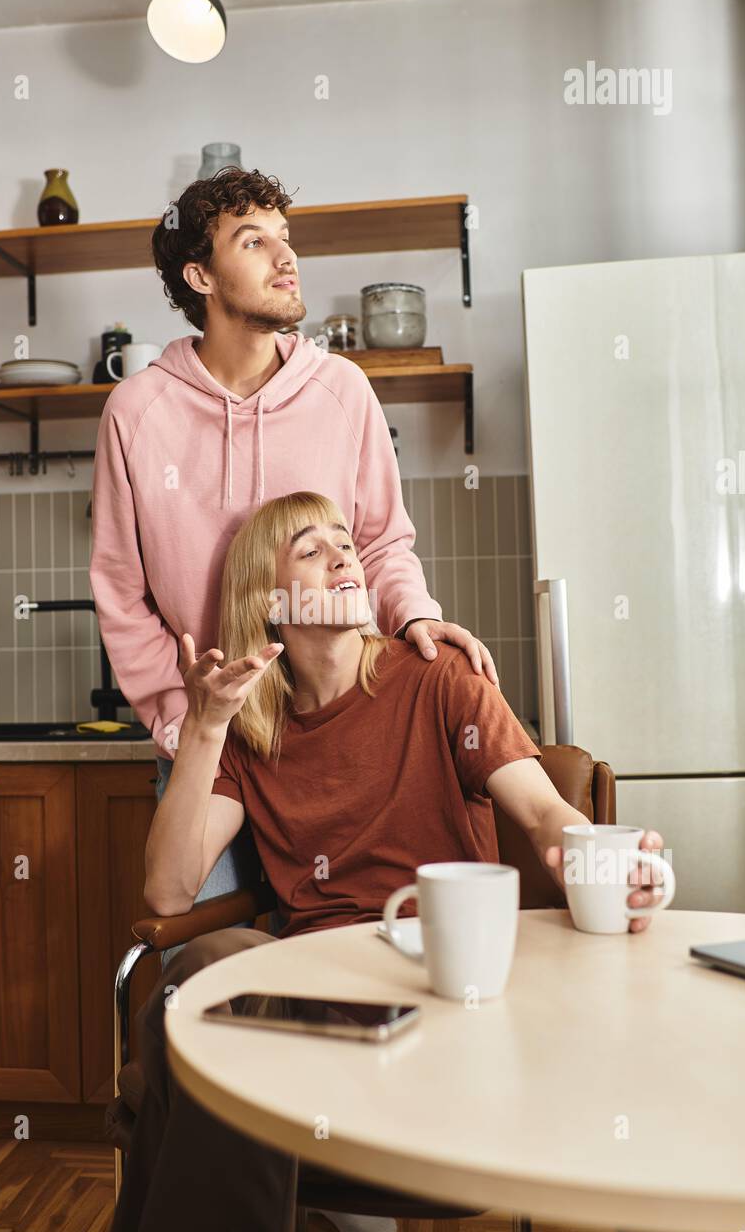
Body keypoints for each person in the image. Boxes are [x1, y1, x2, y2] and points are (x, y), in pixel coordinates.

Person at [103, 492, 666, 1232]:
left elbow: (542, 815)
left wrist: (601, 857)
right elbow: (169, 893)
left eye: (345, 540)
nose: (343, 554)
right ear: (268, 603)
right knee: (201, 971)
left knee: (193, 1027)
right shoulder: (251, 731)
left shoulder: (441, 681)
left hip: (434, 994)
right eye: (310, 548)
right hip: (311, 997)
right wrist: (203, 727)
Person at [89, 165, 499, 951]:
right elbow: (119, 587)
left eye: (287, 239)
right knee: (194, 960)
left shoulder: (342, 390)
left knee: (338, 942)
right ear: (200, 275)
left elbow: (381, 539)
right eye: (255, 241)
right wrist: (182, 721)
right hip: (213, 740)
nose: (286, 258)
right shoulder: (136, 412)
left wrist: (415, 616)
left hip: (326, 729)